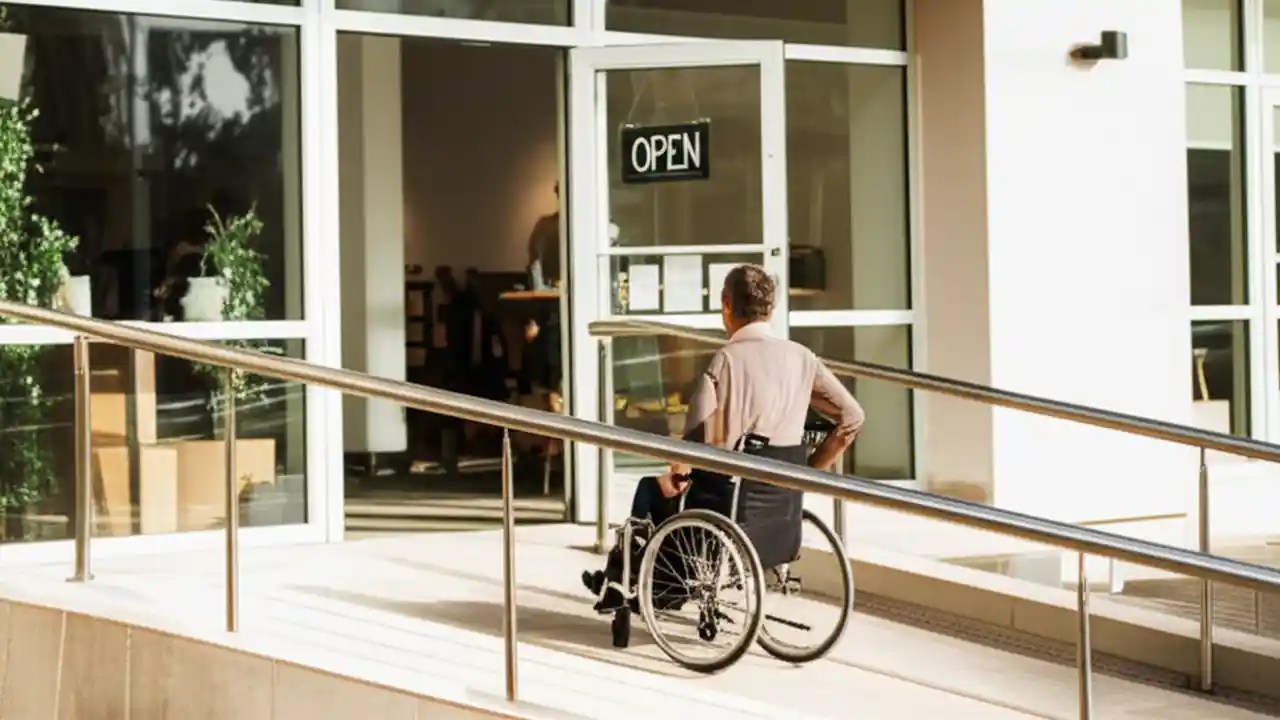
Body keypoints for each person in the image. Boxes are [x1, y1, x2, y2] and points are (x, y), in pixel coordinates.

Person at [583, 264, 865, 606]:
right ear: (771, 309)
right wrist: (809, 471)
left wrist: (679, 470)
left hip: (729, 497)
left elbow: (693, 435)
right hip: (782, 498)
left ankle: (626, 580)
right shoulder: (803, 358)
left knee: (651, 489)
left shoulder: (726, 360)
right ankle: (619, 579)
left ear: (726, 305)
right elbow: (852, 416)